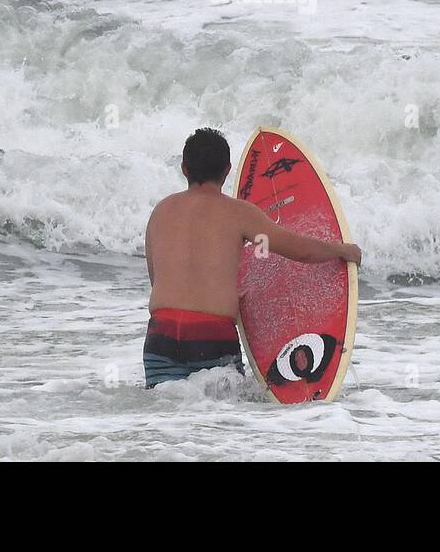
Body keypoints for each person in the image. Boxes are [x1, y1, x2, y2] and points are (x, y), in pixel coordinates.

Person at [142, 127, 361, 388]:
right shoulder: (238, 213)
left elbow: (157, 276)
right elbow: (298, 249)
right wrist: (340, 250)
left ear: (184, 168)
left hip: (160, 335)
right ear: (227, 170)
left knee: (166, 413)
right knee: (218, 418)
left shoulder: (161, 212)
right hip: (210, 336)